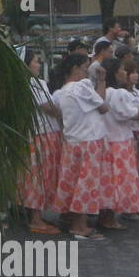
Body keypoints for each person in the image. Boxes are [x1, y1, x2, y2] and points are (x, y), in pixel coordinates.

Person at [51, 53, 110, 240]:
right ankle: (80, 226)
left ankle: (71, 219)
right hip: (89, 140)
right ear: (75, 69)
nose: (87, 71)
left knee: (73, 182)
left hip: (73, 140)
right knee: (87, 184)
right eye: (85, 67)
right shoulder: (81, 86)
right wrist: (102, 81)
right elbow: (103, 106)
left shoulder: (61, 92)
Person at [15, 48, 63, 235]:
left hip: (34, 134)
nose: (38, 64)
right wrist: (61, 110)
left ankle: (34, 215)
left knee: (34, 177)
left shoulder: (21, 84)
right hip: (41, 134)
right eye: (35, 61)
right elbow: (48, 107)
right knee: (39, 177)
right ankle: (36, 218)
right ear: (26, 64)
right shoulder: (35, 83)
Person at [100, 57, 139, 229]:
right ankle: (109, 218)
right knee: (119, 181)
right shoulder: (119, 93)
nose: (124, 73)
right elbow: (128, 113)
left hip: (106, 139)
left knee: (107, 180)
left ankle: (105, 215)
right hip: (120, 140)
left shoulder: (102, 92)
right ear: (115, 73)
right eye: (122, 70)